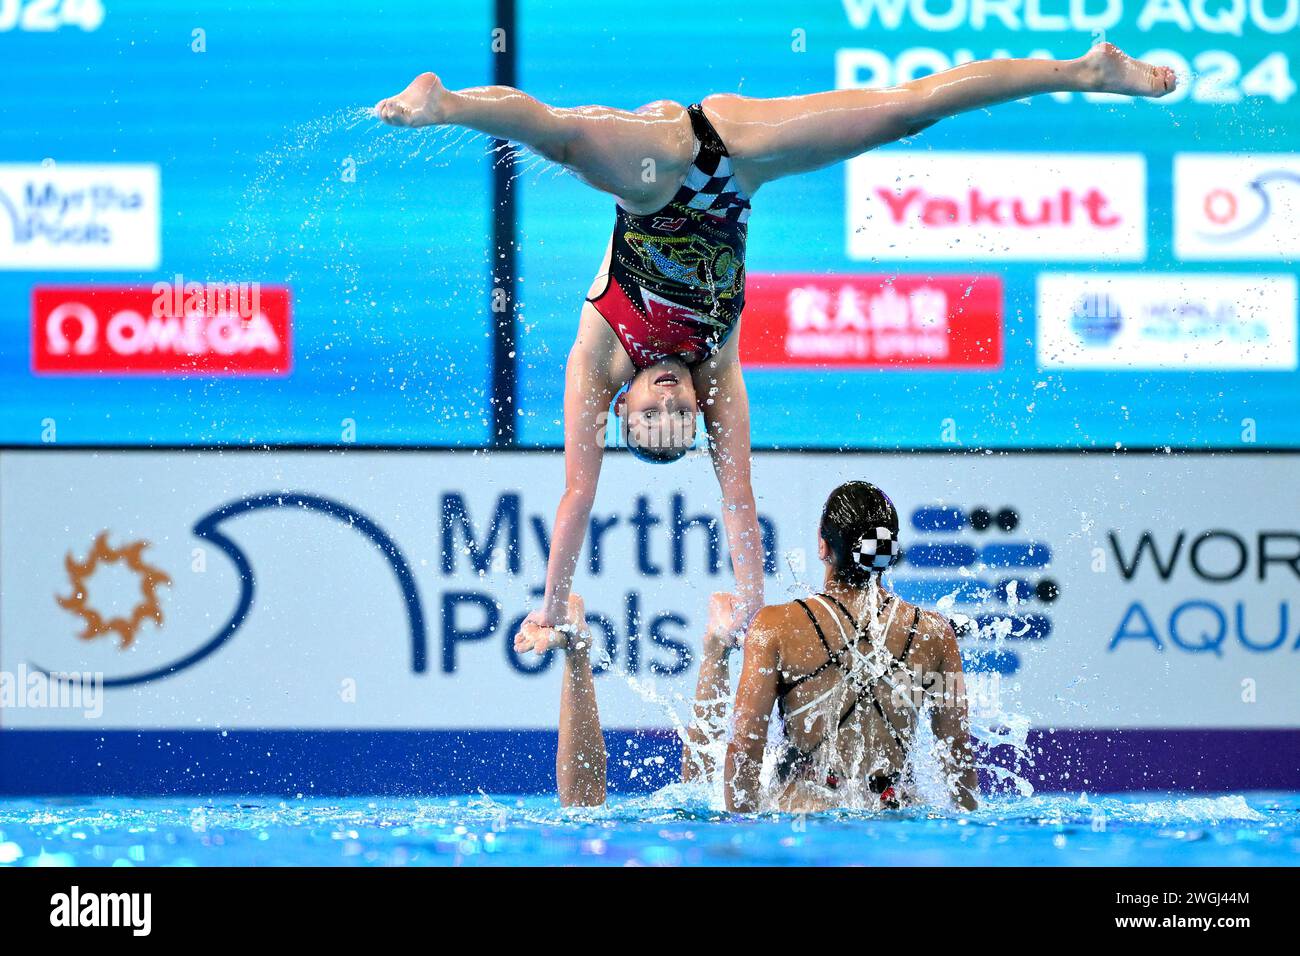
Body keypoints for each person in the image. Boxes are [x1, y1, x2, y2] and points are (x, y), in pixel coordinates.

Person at [379, 43, 1175, 644]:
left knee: (564, 143)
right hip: (735, 161)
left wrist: (550, 611)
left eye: (652, 402)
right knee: (906, 112)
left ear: (626, 405)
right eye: (678, 407)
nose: (668, 392)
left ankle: (445, 103)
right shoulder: (719, 372)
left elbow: (577, 498)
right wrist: (756, 624)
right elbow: (738, 502)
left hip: (657, 172)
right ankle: (1085, 70)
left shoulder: (598, 357)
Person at [515, 481, 978, 814]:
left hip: (802, 813)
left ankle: (711, 649)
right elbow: (959, 761)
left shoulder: (776, 626)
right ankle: (714, 647)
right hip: (894, 812)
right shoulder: (935, 633)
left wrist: (736, 832)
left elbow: (743, 750)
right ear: (887, 553)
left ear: (822, 546)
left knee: (673, 797)